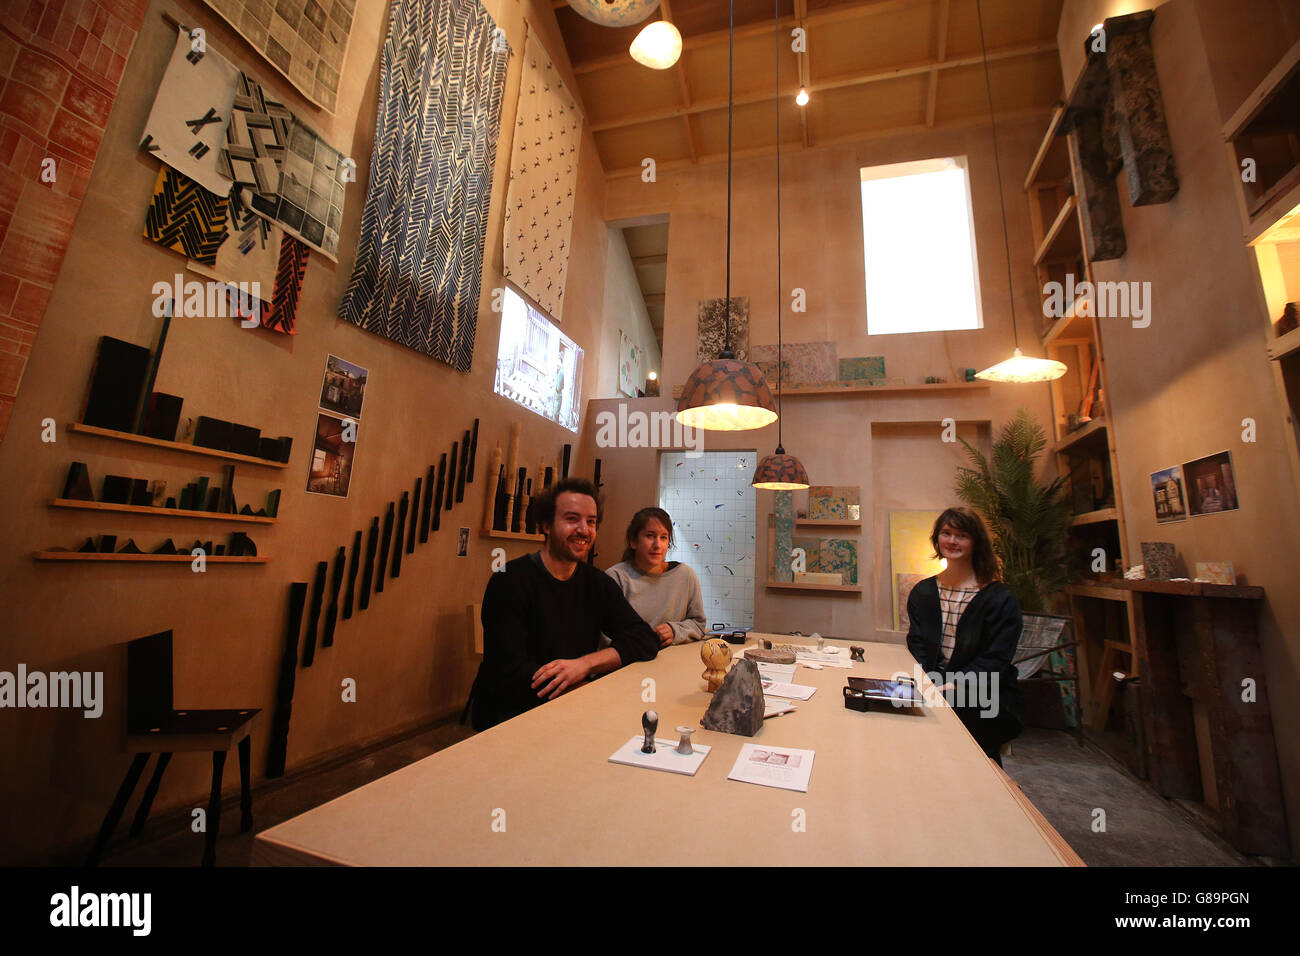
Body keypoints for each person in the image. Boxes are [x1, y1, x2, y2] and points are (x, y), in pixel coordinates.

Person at [470, 478, 659, 731]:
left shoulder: (596, 583)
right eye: (572, 519)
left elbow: (644, 638)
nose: (584, 529)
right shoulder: (510, 581)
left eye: (591, 521)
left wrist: (585, 665)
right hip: (510, 715)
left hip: (570, 708)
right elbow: (509, 672)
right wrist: (582, 688)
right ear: (546, 525)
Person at [905, 507, 1023, 764]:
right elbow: (918, 644)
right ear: (937, 538)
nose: (952, 541)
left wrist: (958, 684)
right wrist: (927, 681)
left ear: (975, 542)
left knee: (973, 758)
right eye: (946, 533)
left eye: (962, 535)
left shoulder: (1000, 598)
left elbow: (997, 657)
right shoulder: (922, 592)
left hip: (983, 691)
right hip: (934, 684)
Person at [606, 507, 706, 648]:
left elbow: (698, 624)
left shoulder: (685, 575)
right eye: (650, 536)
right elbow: (604, 637)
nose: (657, 545)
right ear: (633, 541)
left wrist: (675, 631)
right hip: (629, 664)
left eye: (663, 537)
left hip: (673, 662)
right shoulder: (615, 578)